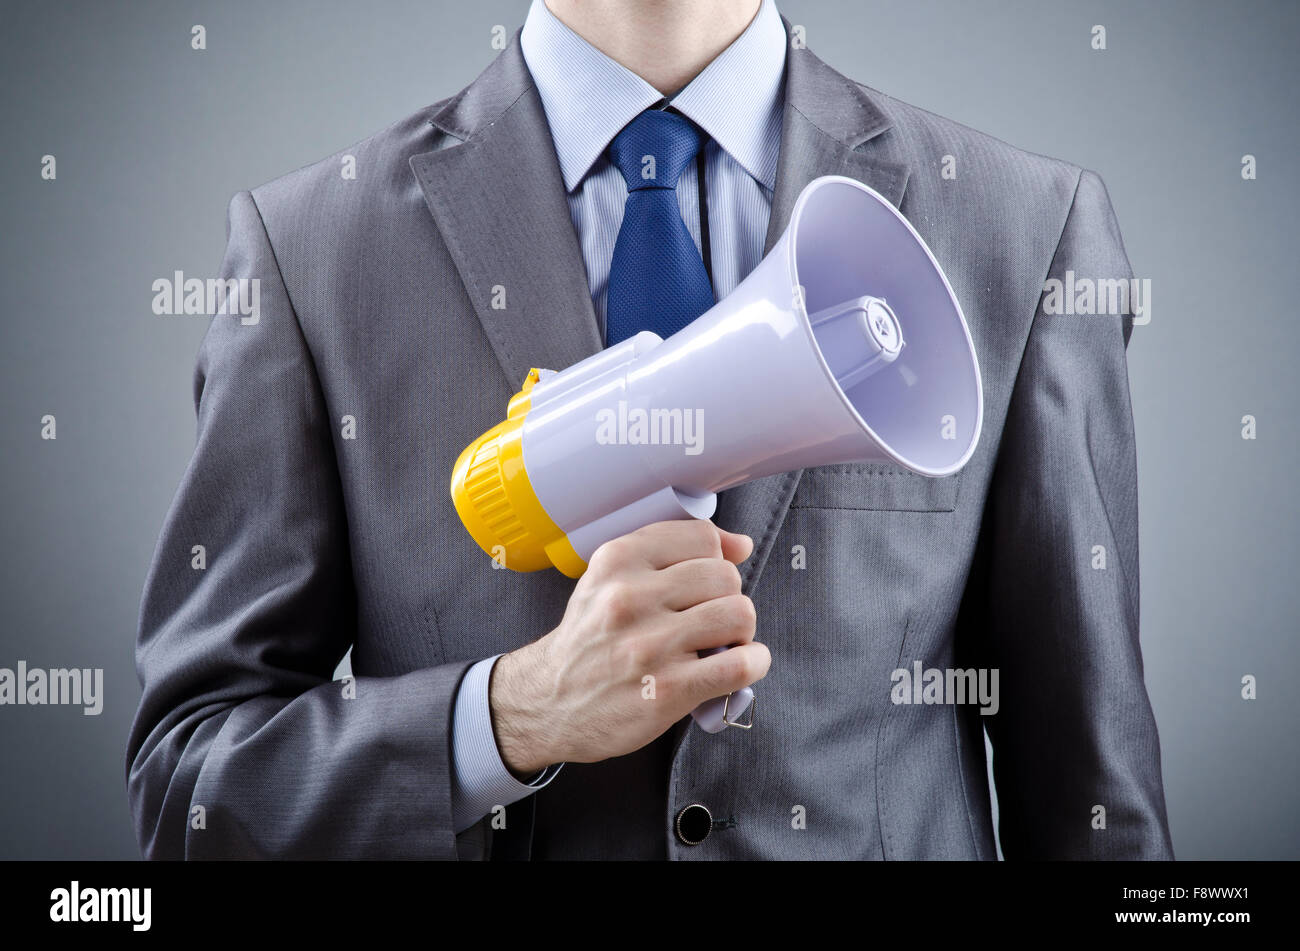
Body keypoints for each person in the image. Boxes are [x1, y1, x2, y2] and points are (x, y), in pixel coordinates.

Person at [127, 0, 1174, 859]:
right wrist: (505, 719)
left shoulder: (1016, 228)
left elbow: (1095, 808)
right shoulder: (313, 249)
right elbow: (187, 792)